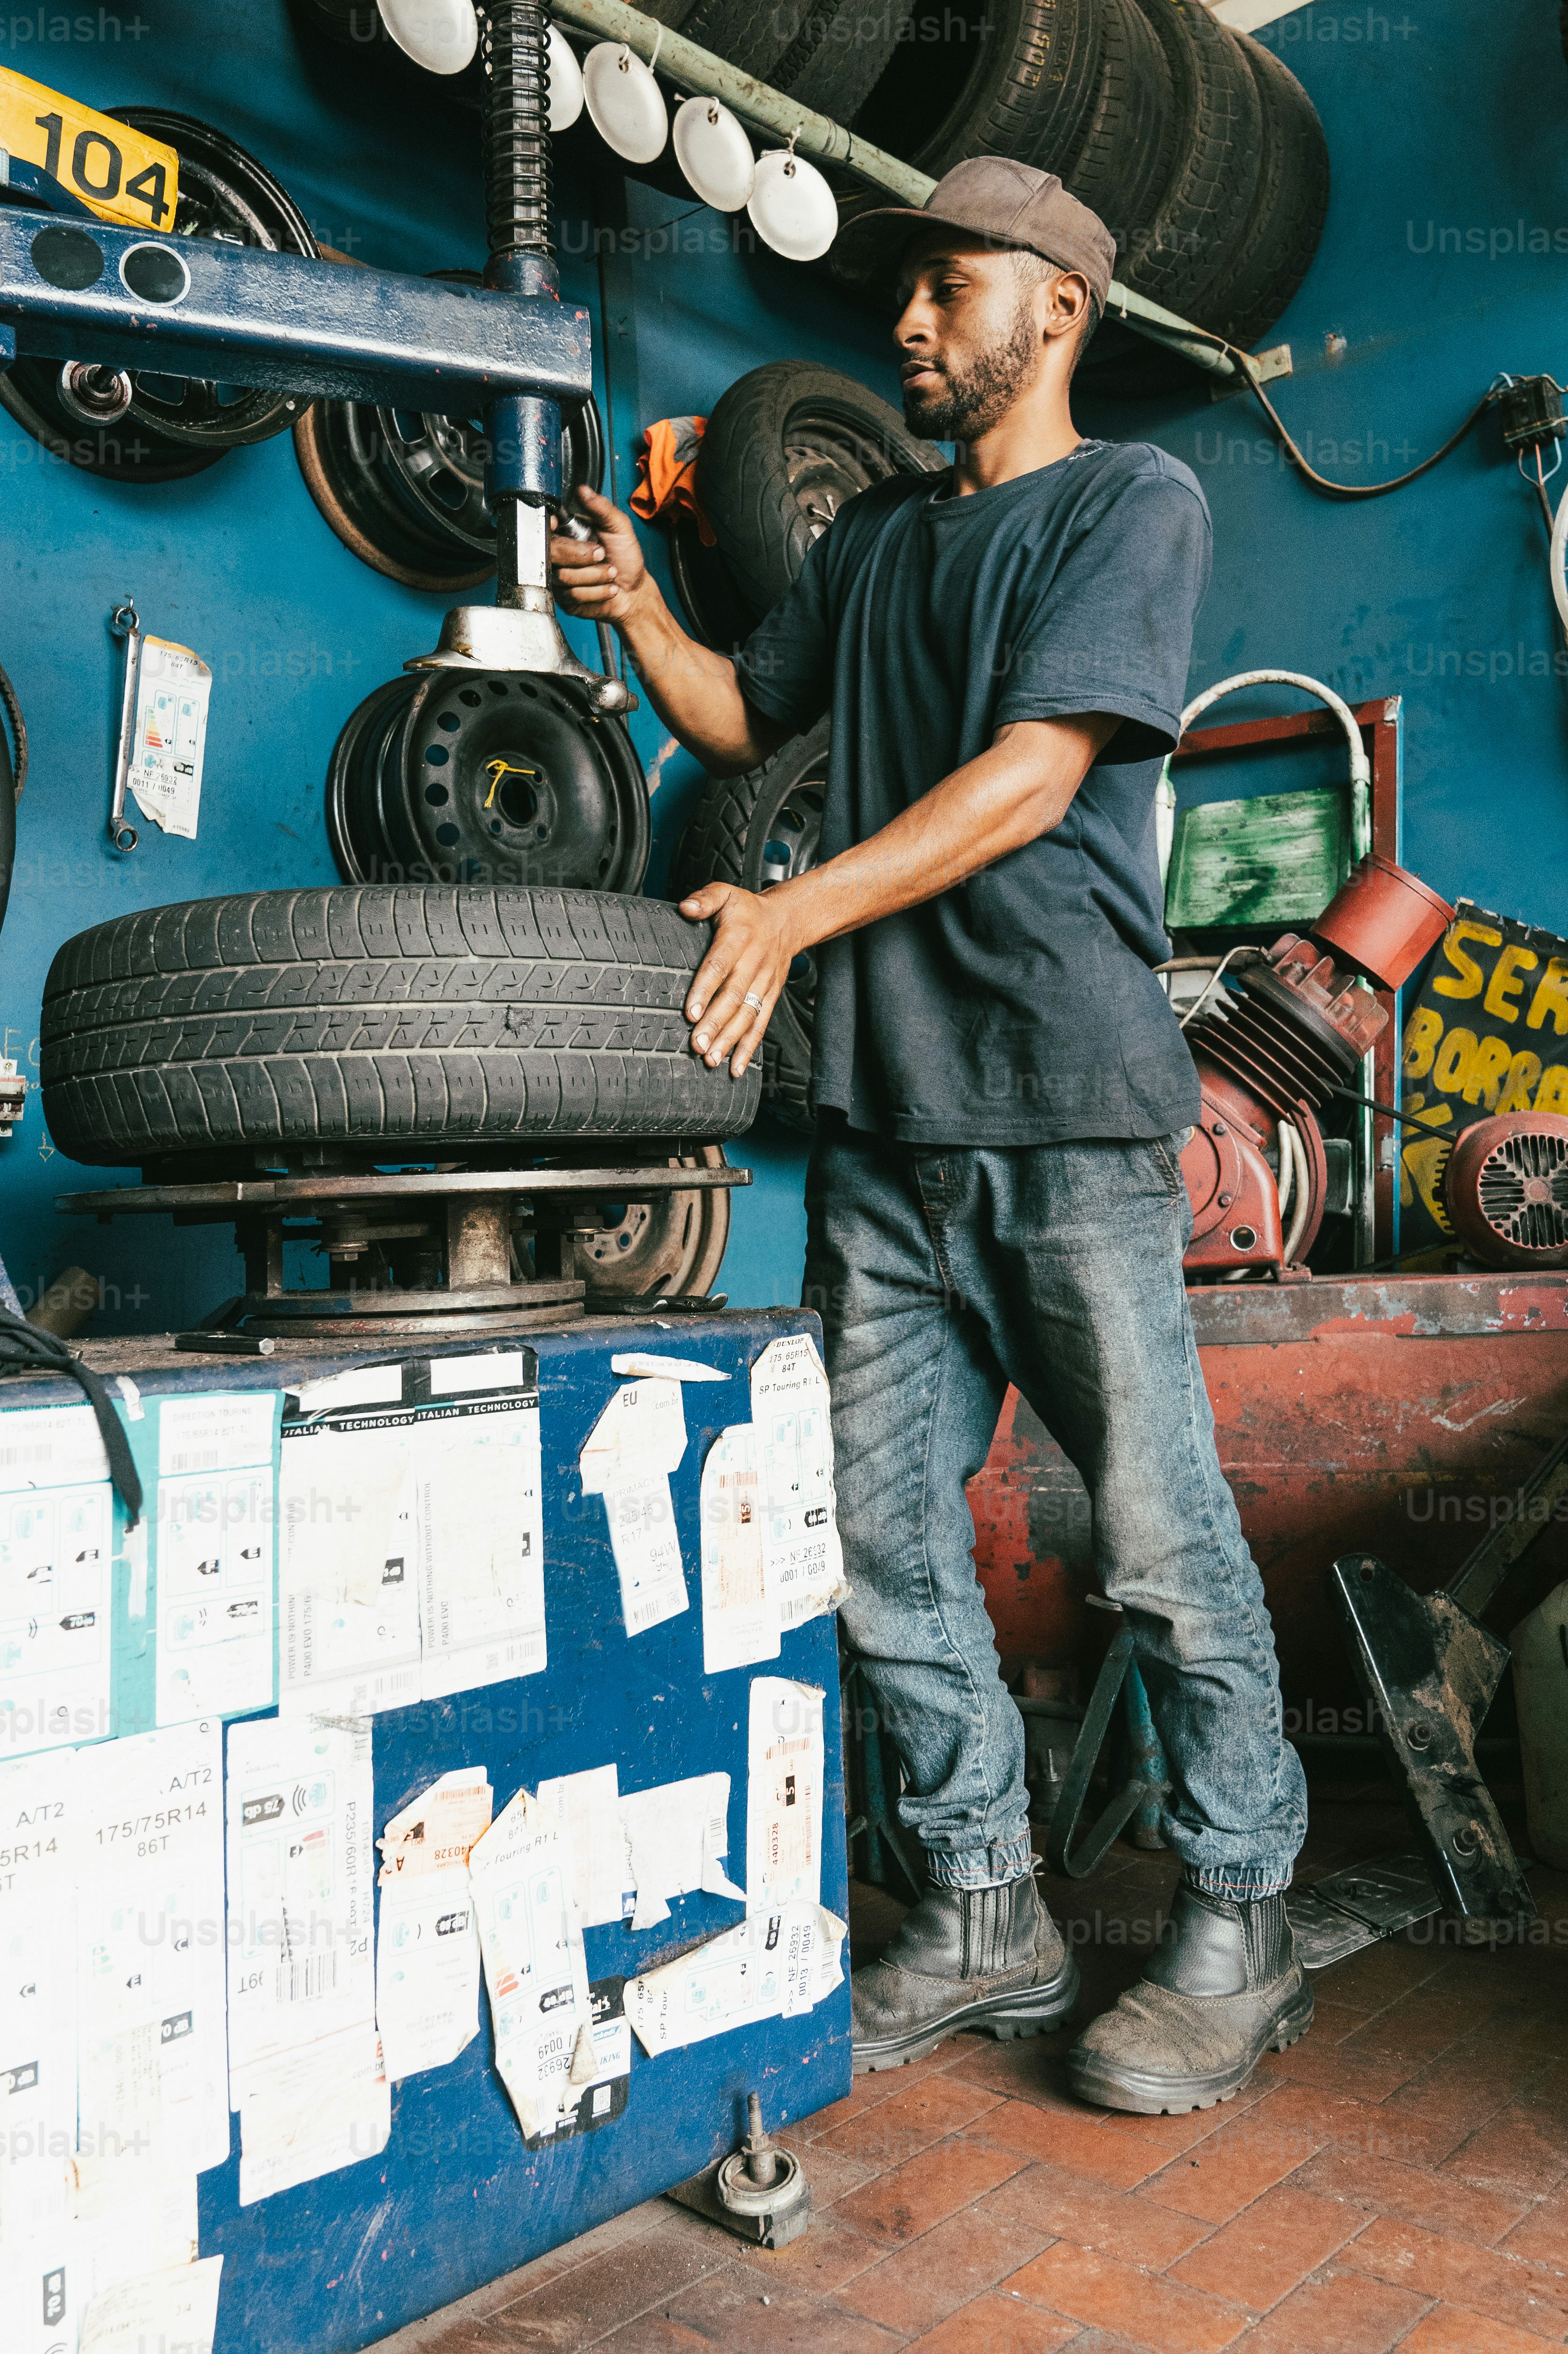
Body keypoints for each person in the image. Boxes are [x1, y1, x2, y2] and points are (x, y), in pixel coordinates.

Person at [548, 156, 1309, 2118]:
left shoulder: (1128, 503)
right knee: (880, 1542)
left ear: (1053, 305)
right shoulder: (879, 539)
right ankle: (986, 1908)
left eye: (941, 288)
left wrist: (793, 911)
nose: (902, 325)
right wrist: (638, 605)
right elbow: (739, 724)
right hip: (886, 1133)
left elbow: (1031, 779)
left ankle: (1239, 1909)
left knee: (1153, 1541)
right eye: (903, 296)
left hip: (1063, 1114)